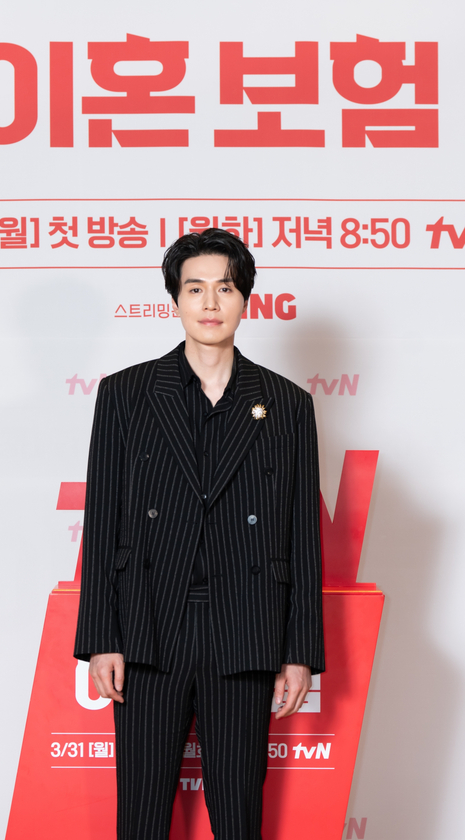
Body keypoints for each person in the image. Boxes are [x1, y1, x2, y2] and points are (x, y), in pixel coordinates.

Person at [74, 228, 324, 840]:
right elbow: (102, 521)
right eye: (195, 288)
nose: (211, 303)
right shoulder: (126, 394)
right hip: (148, 626)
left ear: (245, 299)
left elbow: (302, 536)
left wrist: (299, 651)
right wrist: (101, 638)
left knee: (238, 814)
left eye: (226, 288)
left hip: (245, 625)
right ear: (175, 299)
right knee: (141, 813)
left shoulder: (286, 404)